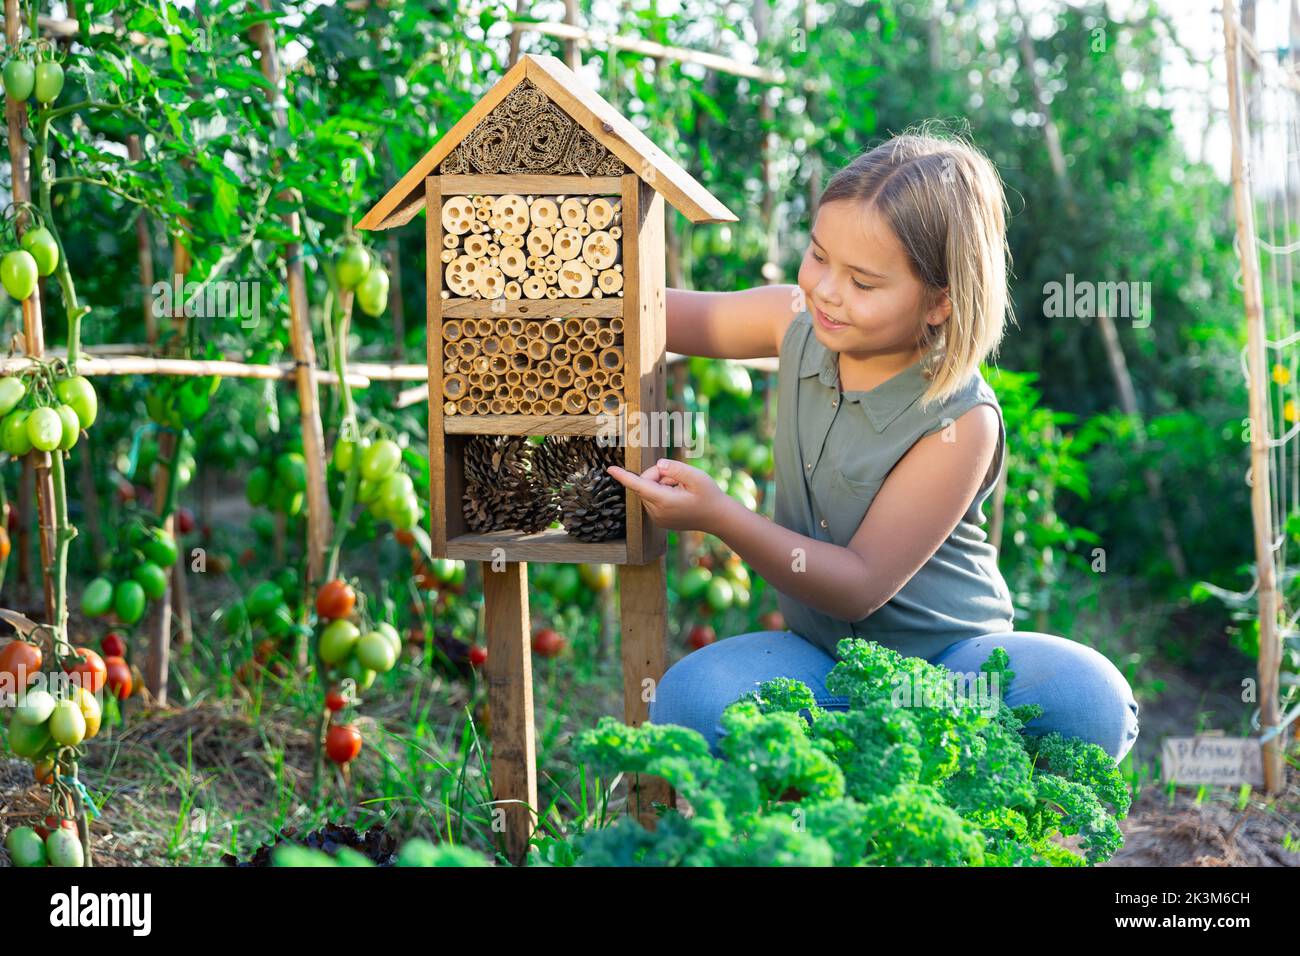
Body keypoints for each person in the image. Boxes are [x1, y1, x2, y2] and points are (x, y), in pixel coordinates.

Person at [607, 128, 1140, 764]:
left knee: (1087, 697)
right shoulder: (794, 321)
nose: (827, 290)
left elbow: (858, 586)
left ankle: (905, 764)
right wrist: (540, 280)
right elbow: (648, 312)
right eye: (818, 255)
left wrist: (721, 517)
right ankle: (874, 774)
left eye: (863, 281)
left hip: (949, 670)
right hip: (825, 664)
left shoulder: (960, 420)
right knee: (693, 700)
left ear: (940, 301)